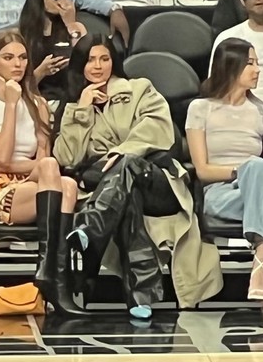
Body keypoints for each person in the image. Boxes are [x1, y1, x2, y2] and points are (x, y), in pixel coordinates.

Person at [56, 35, 222, 316]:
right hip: (114, 190)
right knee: (126, 193)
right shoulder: (73, 105)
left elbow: (159, 129)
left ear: (114, 62)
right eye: (91, 60)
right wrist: (81, 110)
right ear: (79, 66)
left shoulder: (139, 89)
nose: (98, 66)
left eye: (105, 59)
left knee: (129, 166)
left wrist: (123, 152)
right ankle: (141, 298)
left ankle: (90, 226)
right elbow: (66, 156)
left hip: (157, 180)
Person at [187, 37, 263, 317]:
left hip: (261, 195)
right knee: (256, 167)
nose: (257, 70)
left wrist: (255, 172)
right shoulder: (200, 109)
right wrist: (244, 170)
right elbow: (203, 170)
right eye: (250, 63)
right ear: (230, 66)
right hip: (220, 195)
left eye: (257, 63)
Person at [0, 30, 80, 313]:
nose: (17, 64)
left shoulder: (38, 103)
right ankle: (54, 275)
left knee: (65, 181)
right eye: (8, 57)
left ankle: (50, 272)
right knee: (62, 183)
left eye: (23, 58)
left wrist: (14, 166)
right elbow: (1, 155)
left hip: (31, 185)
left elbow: (42, 161)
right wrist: (13, 104)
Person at [18, 0, 88, 100]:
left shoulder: (76, 28)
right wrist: (41, 72)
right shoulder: (22, 34)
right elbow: (19, 88)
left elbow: (85, 60)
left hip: (72, 99)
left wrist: (70, 24)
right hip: (37, 100)